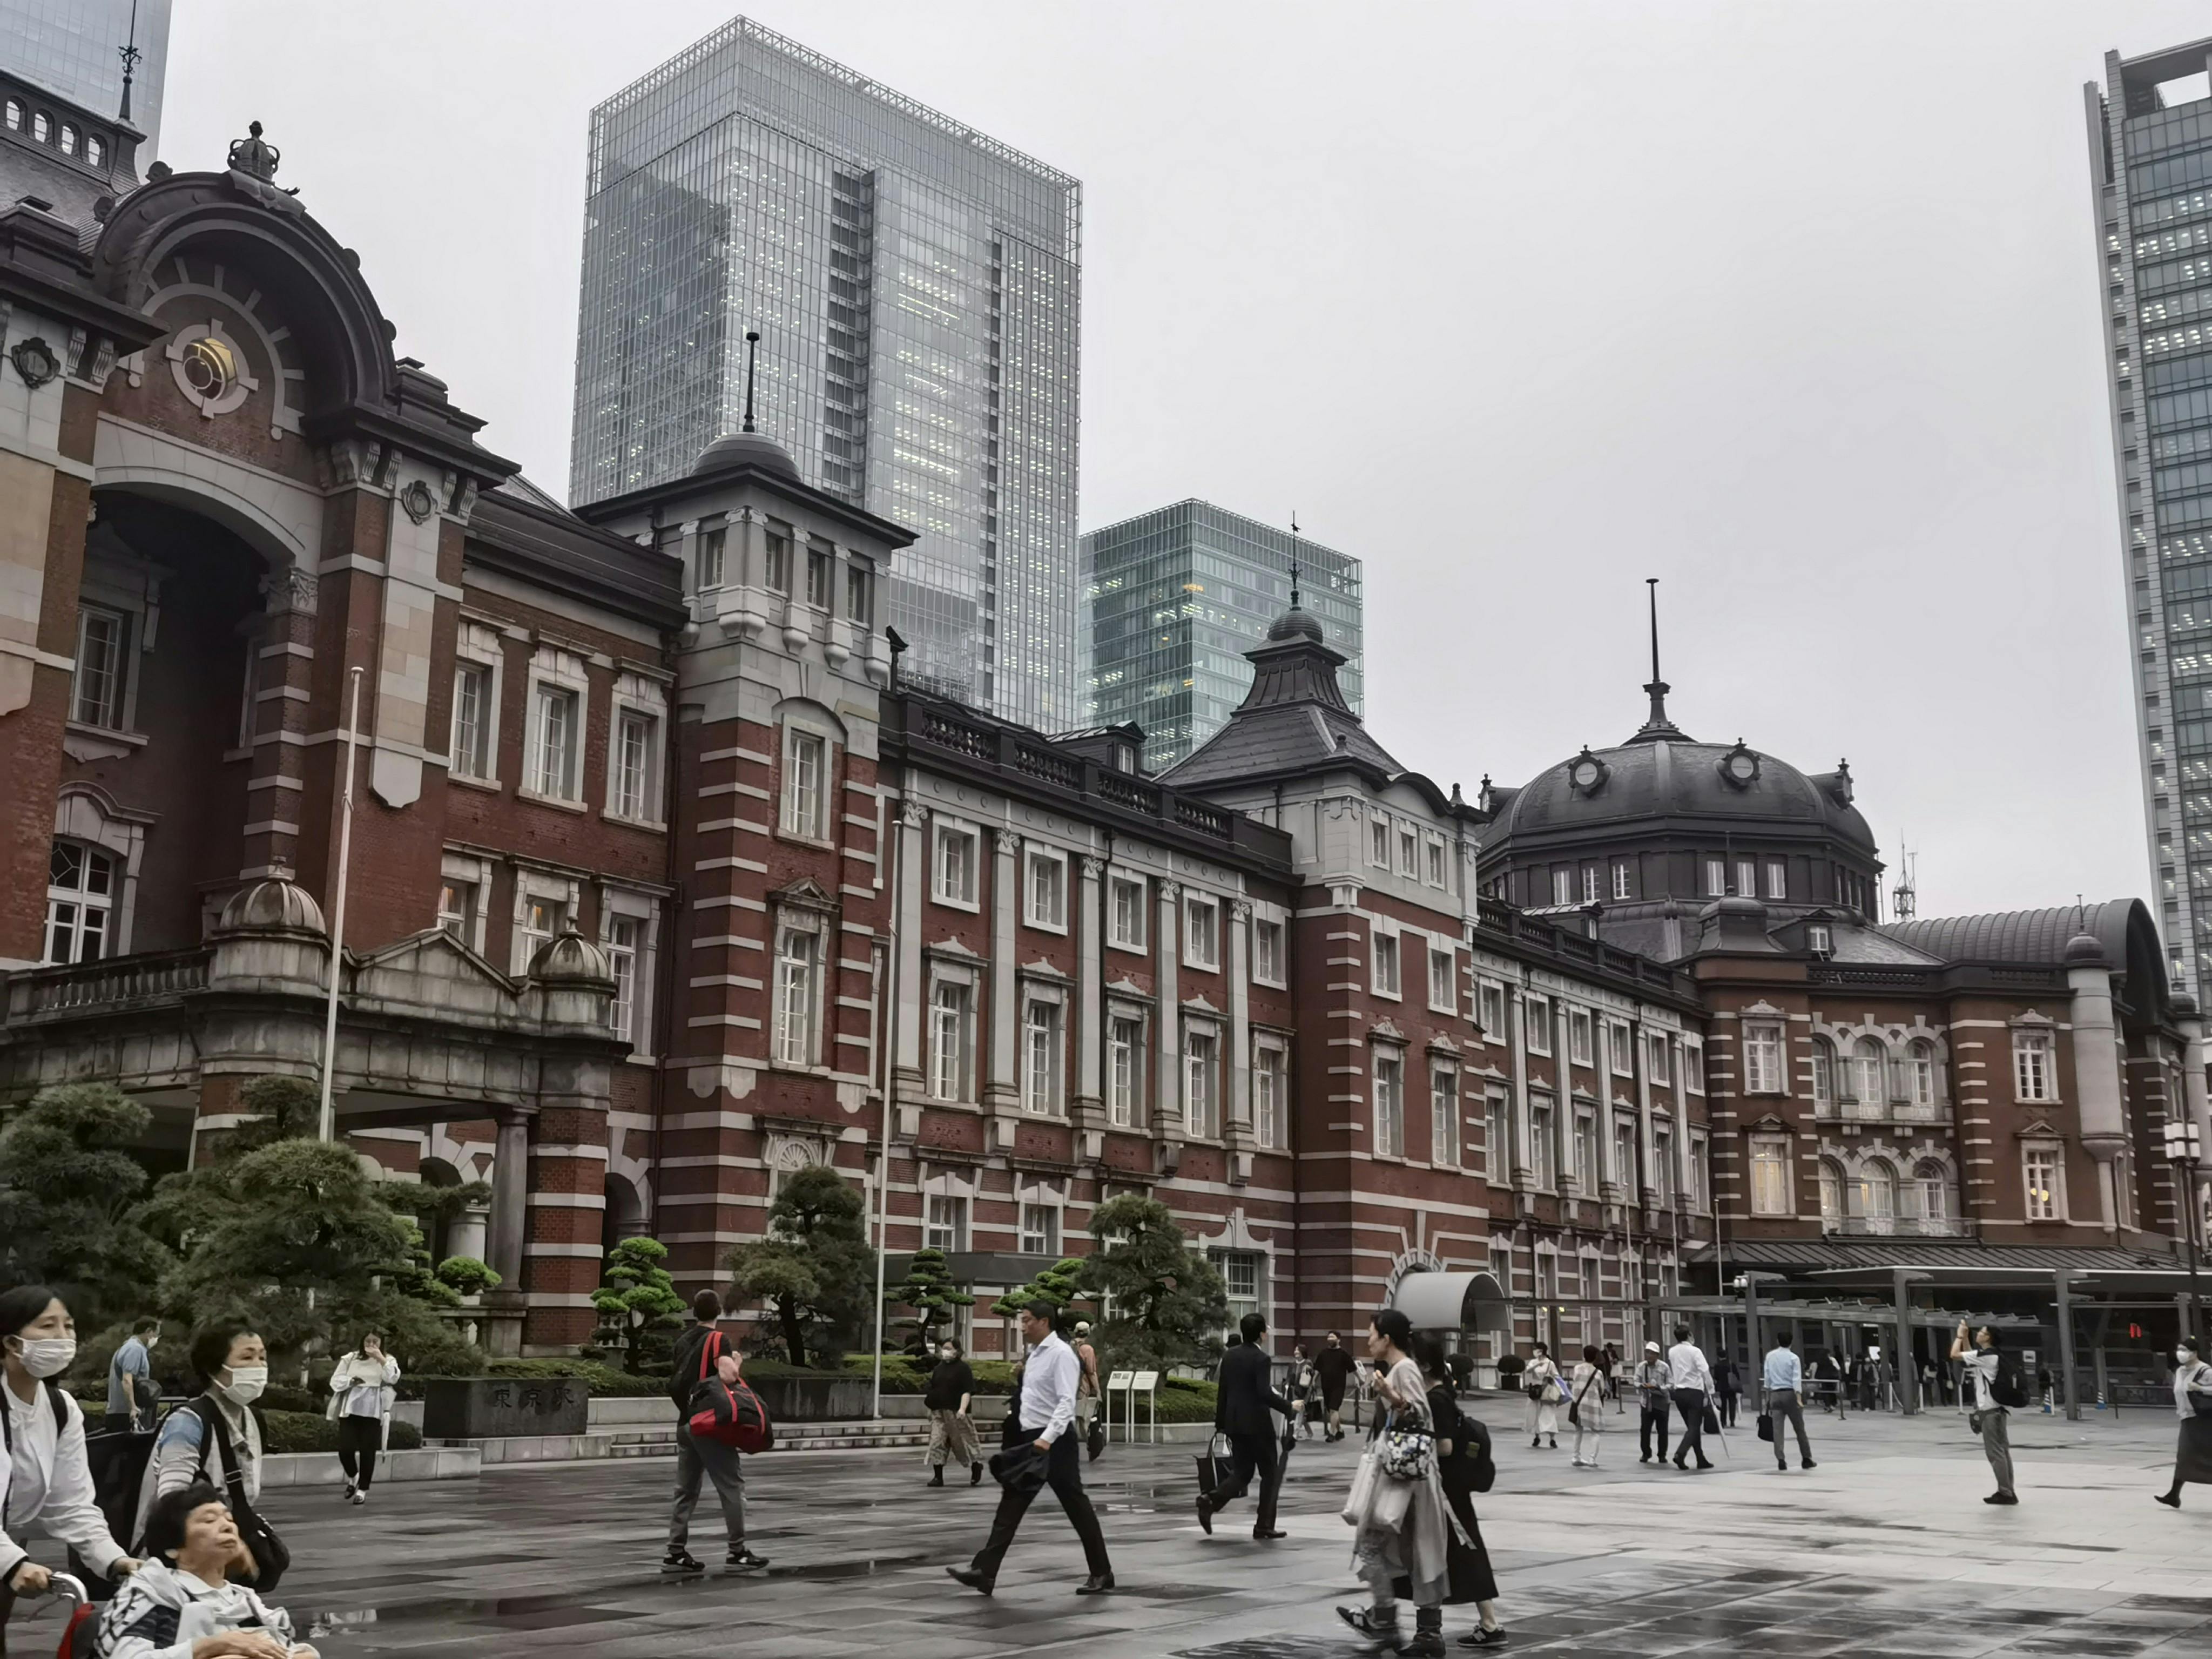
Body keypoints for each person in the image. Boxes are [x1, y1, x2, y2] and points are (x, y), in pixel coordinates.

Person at [2, 1285, 141, 1657]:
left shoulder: (61, 1408)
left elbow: (71, 1504)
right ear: (12, 1344)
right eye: (48, 1326)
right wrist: (13, 1562)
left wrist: (115, 1561)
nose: (63, 1338)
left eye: (69, 1326)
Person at [947, 1300, 1113, 1597]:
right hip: (1031, 1439)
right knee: (1010, 1504)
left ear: (1044, 1322)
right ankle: (985, 1572)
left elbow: (1066, 1401)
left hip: (1055, 1441)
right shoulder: (1035, 1354)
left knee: (1075, 1505)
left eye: (1027, 1320)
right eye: (1021, 1320)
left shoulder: (1061, 1354)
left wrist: (1047, 1439)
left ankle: (1102, 1572)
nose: (1022, 1326)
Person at [1336, 1310, 1455, 1656]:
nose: (1369, 1340)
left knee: (1393, 1548)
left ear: (1387, 1339)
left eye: (1372, 1334)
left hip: (1409, 1482)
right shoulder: (1400, 1369)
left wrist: (1391, 1394)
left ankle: (1391, 1624)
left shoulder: (1403, 1370)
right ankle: (1407, 1628)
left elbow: (1420, 1416)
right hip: (1404, 1479)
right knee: (1413, 1552)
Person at [95, 1483, 314, 1659]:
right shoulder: (152, 1593)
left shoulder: (246, 1603)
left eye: (229, 1519)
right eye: (209, 1520)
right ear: (172, 1548)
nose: (228, 1526)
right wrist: (215, 1645)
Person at [1388, 1336, 1505, 1651]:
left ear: (1424, 1365)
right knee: (1465, 1554)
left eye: (1412, 1360)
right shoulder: (1438, 1394)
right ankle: (1489, 1625)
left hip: (1446, 1491)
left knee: (1462, 1553)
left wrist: (1413, 1443)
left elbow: (1445, 1446)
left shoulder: (1437, 1399)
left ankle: (1487, 1625)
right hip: (1449, 1490)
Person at [135, 1324, 267, 1551]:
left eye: (263, 1357)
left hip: (220, 1557)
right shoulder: (187, 1423)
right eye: (247, 1357)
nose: (259, 1366)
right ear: (212, 1367)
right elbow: (172, 1506)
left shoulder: (252, 1419)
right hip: (178, 1561)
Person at [662, 1291, 766, 1574]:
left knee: (685, 1490)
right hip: (708, 1424)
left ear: (694, 1312)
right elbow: (728, 1376)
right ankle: (738, 1550)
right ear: (718, 1311)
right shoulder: (719, 1339)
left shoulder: (683, 1341)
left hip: (685, 1422)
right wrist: (737, 1361)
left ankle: (675, 1552)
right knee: (732, 1486)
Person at [1198, 1313, 1299, 1540]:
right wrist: (1289, 1407)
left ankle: (1211, 1501)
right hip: (1257, 1425)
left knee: (1242, 1473)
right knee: (1270, 1475)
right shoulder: (1261, 1359)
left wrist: (1221, 1423)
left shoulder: (1230, 1356)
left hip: (1235, 1423)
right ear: (1262, 1334)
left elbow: (1223, 1391)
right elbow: (1263, 1393)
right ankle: (1264, 1525)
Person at [324, 1333, 397, 1507]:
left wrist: (381, 1359)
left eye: (375, 1342)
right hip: (351, 1409)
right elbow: (335, 1380)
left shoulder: (388, 1360)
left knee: (367, 1451)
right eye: (368, 1341)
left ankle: (362, 1489)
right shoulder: (351, 1358)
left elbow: (392, 1378)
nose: (371, 1345)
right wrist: (351, 1381)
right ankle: (354, 1477)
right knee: (345, 1449)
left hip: (373, 1411)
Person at [1950, 1319, 2017, 1506]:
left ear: (1989, 1338)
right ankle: (2008, 1490)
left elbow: (1955, 1355)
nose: (1978, 1333)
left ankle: (2006, 1492)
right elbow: (1969, 1355)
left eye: (1981, 1332)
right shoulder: (1992, 1356)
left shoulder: (1989, 1357)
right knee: (2003, 1452)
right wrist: (1966, 1338)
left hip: (1990, 1412)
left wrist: (1960, 1336)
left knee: (1995, 1453)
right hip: (1998, 1411)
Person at [2156, 1336, 2212, 1508]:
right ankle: (2174, 1495)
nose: (2181, 1354)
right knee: (2184, 1457)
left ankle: (2174, 1495)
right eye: (2179, 1350)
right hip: (2187, 1419)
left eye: (2185, 1350)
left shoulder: (2206, 1371)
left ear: (2194, 1353)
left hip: (2204, 1420)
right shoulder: (2179, 1371)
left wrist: (2201, 1388)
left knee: (2206, 1457)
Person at [923, 1338, 981, 1488]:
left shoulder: (963, 1369)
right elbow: (934, 1389)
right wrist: (930, 1409)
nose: (946, 1351)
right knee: (937, 1441)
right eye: (944, 1348)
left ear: (957, 1351)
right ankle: (938, 1476)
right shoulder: (939, 1369)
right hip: (939, 1412)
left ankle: (976, 1466)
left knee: (965, 1442)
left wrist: (962, 1409)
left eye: (949, 1348)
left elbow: (967, 1391)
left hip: (957, 1412)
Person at [1760, 1332, 1816, 1472]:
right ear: (1791, 1342)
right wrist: (1799, 1398)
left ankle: (1781, 1460)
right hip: (1790, 1394)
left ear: (1778, 1341)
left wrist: (1768, 1397)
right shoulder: (1793, 1358)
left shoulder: (1770, 1356)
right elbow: (1796, 1379)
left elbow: (1767, 1378)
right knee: (1799, 1428)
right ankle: (1806, 1458)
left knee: (1778, 1430)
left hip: (1775, 1394)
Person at [1666, 1325, 1716, 1472]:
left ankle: (1701, 1459)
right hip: (1694, 1392)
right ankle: (1680, 1454)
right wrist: (1711, 1391)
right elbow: (1705, 1373)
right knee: (1694, 1427)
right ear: (1689, 1335)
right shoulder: (1696, 1351)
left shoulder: (1672, 1351)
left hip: (1679, 1393)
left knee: (1692, 1428)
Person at [106, 1321, 160, 1437]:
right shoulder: (135, 1349)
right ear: (149, 1332)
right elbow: (127, 1379)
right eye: (156, 1335)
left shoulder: (129, 1347)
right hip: (126, 1415)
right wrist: (133, 1408)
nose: (157, 1339)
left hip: (122, 1414)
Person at [1568, 1345, 1609, 1468]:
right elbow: (1602, 1390)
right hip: (1593, 1404)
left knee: (1578, 1430)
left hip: (1578, 1402)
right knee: (1595, 1432)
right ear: (1595, 1357)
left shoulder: (1577, 1369)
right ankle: (1592, 1459)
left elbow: (1575, 1382)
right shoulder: (1598, 1373)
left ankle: (1576, 1456)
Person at [1070, 1320, 1105, 1462]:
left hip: (1068, 1386)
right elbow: (1091, 1372)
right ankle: (1090, 1445)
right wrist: (1098, 1391)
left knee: (1073, 1418)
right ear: (1088, 1333)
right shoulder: (1088, 1349)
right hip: (1081, 1387)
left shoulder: (1069, 1346)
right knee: (1081, 1419)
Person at [1634, 1340, 1671, 1465]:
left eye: (1652, 1353)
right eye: (1647, 1352)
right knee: (1645, 1429)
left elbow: (1671, 1384)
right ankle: (1646, 1453)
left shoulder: (1664, 1367)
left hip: (1661, 1401)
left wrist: (1660, 1388)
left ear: (1657, 1355)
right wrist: (1642, 1385)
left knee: (1663, 1430)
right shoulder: (1642, 1366)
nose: (1649, 1355)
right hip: (1646, 1401)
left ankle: (1662, 1454)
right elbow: (1636, 1381)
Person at [1314, 1331, 1357, 1442]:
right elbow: (1317, 1369)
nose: (1330, 1339)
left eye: (1333, 1337)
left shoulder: (1343, 1354)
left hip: (1339, 1386)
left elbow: (1353, 1369)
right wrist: (1313, 1381)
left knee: (1334, 1408)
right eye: (1329, 1337)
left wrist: (1361, 1381)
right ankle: (1340, 1431)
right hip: (1326, 1385)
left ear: (1339, 1340)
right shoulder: (1323, 1354)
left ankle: (1332, 1433)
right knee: (1331, 1409)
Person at [1522, 1342, 1560, 1450]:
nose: (1534, 1351)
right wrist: (1538, 1364)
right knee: (1535, 1414)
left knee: (1549, 1415)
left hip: (1546, 1391)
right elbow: (1528, 1370)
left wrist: (1551, 1381)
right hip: (1535, 1390)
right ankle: (1537, 1436)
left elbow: (1556, 1375)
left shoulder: (1550, 1363)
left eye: (1536, 1349)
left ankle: (1552, 1439)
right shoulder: (1533, 1362)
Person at [1290, 1345, 1321, 1439]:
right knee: (1300, 1412)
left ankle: (1295, 1434)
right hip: (1295, 1391)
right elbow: (1289, 1377)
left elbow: (1311, 1377)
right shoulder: (1293, 1364)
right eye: (1295, 1350)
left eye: (1298, 1350)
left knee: (1300, 1411)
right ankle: (1310, 1432)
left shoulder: (1308, 1363)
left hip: (1305, 1392)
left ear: (1302, 1352)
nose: (1296, 1352)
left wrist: (1309, 1370)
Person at [1712, 1350, 1742, 1428]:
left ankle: (1723, 1421)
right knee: (1732, 1404)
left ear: (1719, 1357)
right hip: (1732, 1388)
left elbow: (1716, 1377)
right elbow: (1737, 1375)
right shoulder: (1732, 1365)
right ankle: (1732, 1421)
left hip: (1723, 1388)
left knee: (1724, 1405)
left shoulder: (1717, 1366)